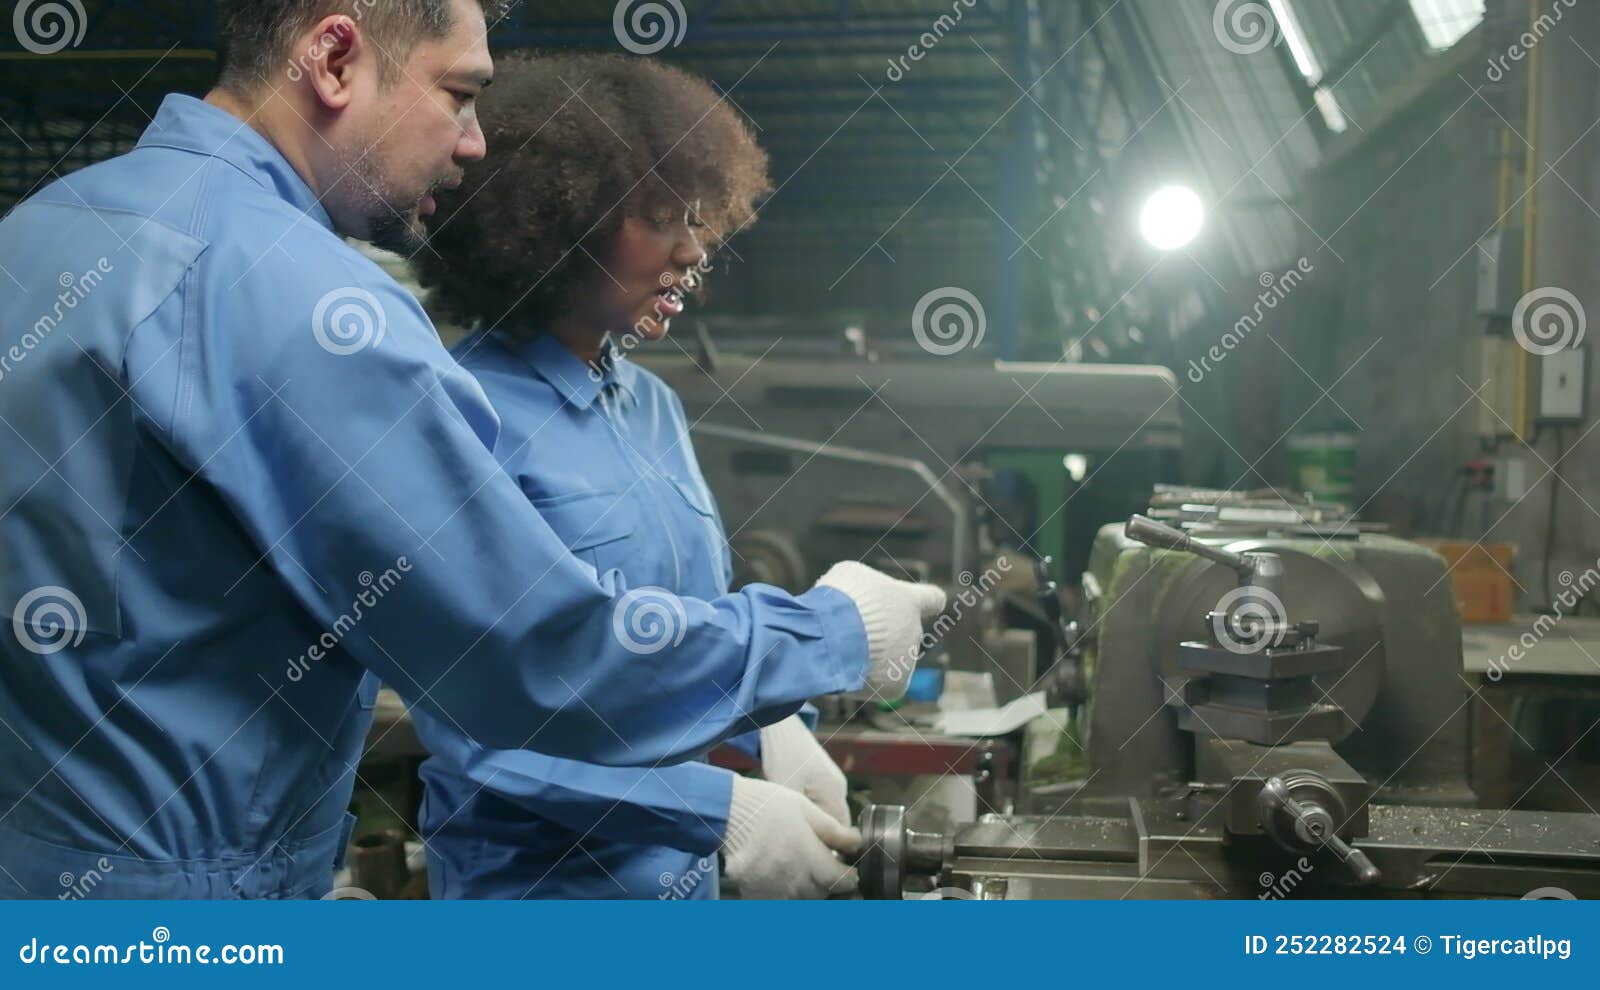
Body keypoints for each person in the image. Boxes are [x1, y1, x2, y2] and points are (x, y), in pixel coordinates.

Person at [0, 0, 944, 899]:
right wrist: (830, 636)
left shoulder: (40, 236)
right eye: (458, 92)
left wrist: (774, 729)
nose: (474, 140)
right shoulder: (312, 306)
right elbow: (535, 656)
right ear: (334, 61)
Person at [411, 54, 872, 900]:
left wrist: (780, 729)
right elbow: (479, 735)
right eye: (660, 218)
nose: (694, 250)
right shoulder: (461, 416)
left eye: (699, 219)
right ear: (558, 223)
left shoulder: (651, 405)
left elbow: (693, 625)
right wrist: (712, 806)